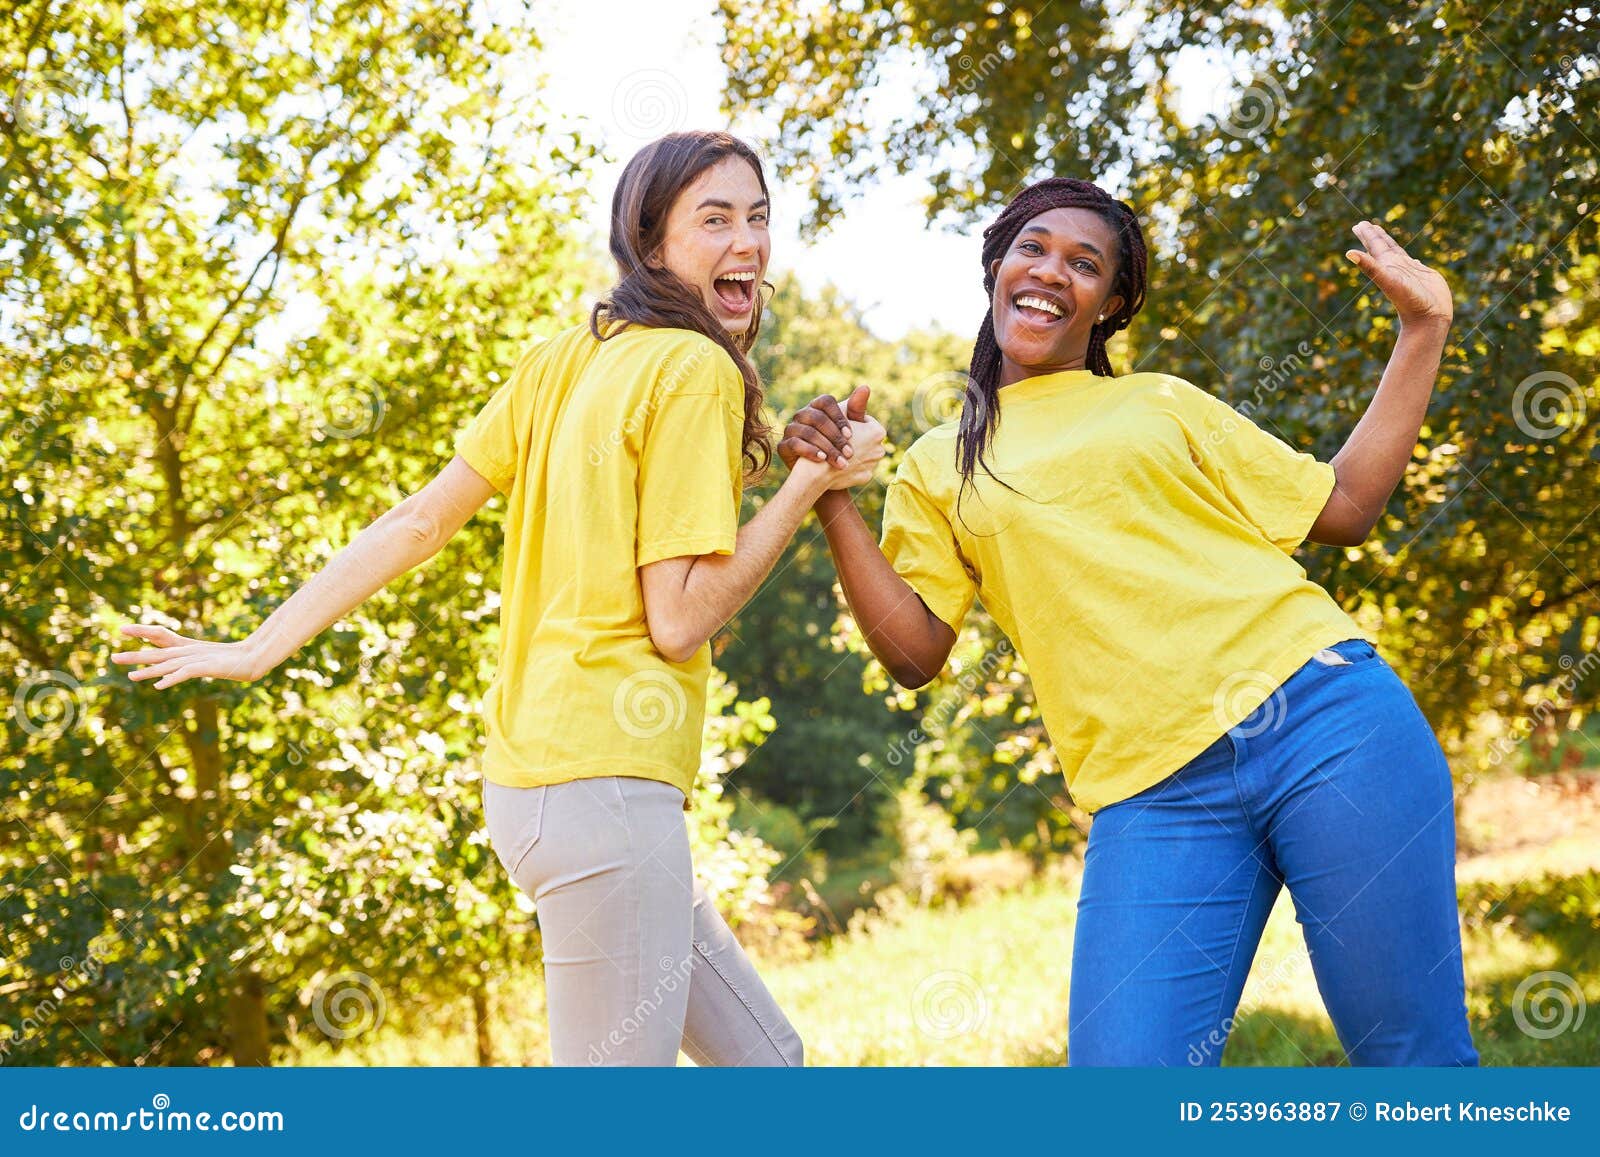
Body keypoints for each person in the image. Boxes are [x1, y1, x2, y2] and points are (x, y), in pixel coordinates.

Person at [112, 130, 886, 1066]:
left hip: (538, 792)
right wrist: (809, 486)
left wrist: (254, 646)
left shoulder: (565, 358)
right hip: (607, 788)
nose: (748, 245)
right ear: (650, 244)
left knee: (772, 1069)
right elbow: (678, 619)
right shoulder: (694, 369)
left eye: (758, 218)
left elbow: (417, 523)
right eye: (714, 219)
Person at [781, 177, 1477, 1066]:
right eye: (1032, 248)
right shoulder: (935, 464)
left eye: (1085, 263)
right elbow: (917, 652)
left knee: (1414, 1063)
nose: (1050, 273)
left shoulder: (1158, 402)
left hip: (1325, 718)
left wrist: (1423, 330)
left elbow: (1342, 505)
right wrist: (834, 503)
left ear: (1109, 303)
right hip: (1153, 793)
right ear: (996, 265)